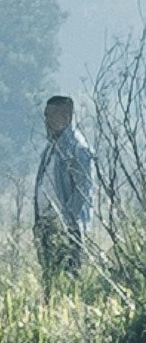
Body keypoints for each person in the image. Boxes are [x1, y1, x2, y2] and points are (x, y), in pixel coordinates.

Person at [40, 91, 102, 285]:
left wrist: (67, 220)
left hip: (67, 227)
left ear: (65, 117)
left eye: (51, 115)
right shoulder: (52, 147)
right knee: (50, 276)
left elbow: (83, 188)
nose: (47, 120)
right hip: (49, 223)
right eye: (46, 115)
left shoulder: (76, 148)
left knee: (68, 277)